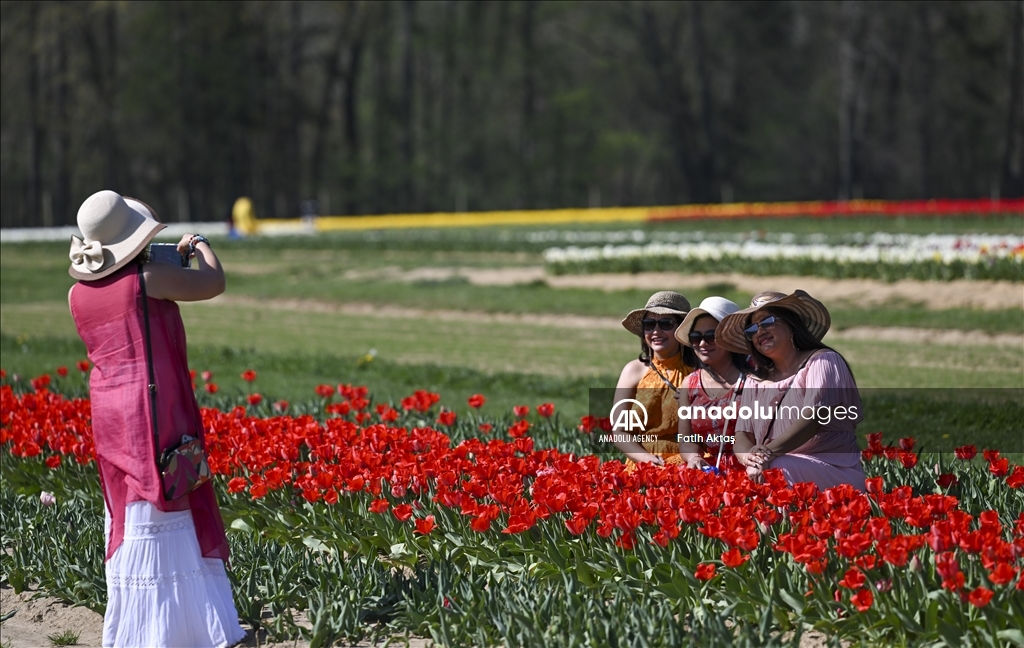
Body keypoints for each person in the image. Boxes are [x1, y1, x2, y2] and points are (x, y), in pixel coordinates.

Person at [67, 190, 245, 648]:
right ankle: (184, 625)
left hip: (108, 411)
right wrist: (198, 244)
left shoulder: (77, 296)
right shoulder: (146, 281)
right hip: (154, 406)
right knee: (172, 490)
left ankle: (137, 626)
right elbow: (213, 282)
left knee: (129, 502)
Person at [716, 290, 867, 491]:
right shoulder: (755, 380)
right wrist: (751, 459)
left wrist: (767, 453)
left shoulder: (823, 361)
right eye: (751, 329)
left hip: (833, 469)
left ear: (791, 323)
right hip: (774, 463)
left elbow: (814, 418)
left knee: (776, 470)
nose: (759, 331)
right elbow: (743, 434)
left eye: (767, 321)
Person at [611, 291, 695, 466]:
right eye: (649, 324)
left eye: (665, 324)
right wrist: (647, 460)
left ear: (682, 329)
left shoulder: (698, 372)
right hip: (642, 463)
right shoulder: (633, 371)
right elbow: (619, 432)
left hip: (687, 463)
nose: (656, 331)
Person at [673, 297, 749, 471]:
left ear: (730, 338)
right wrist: (693, 458)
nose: (702, 344)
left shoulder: (752, 380)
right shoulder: (690, 383)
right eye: (695, 337)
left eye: (711, 337)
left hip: (749, 468)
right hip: (708, 470)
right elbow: (687, 439)